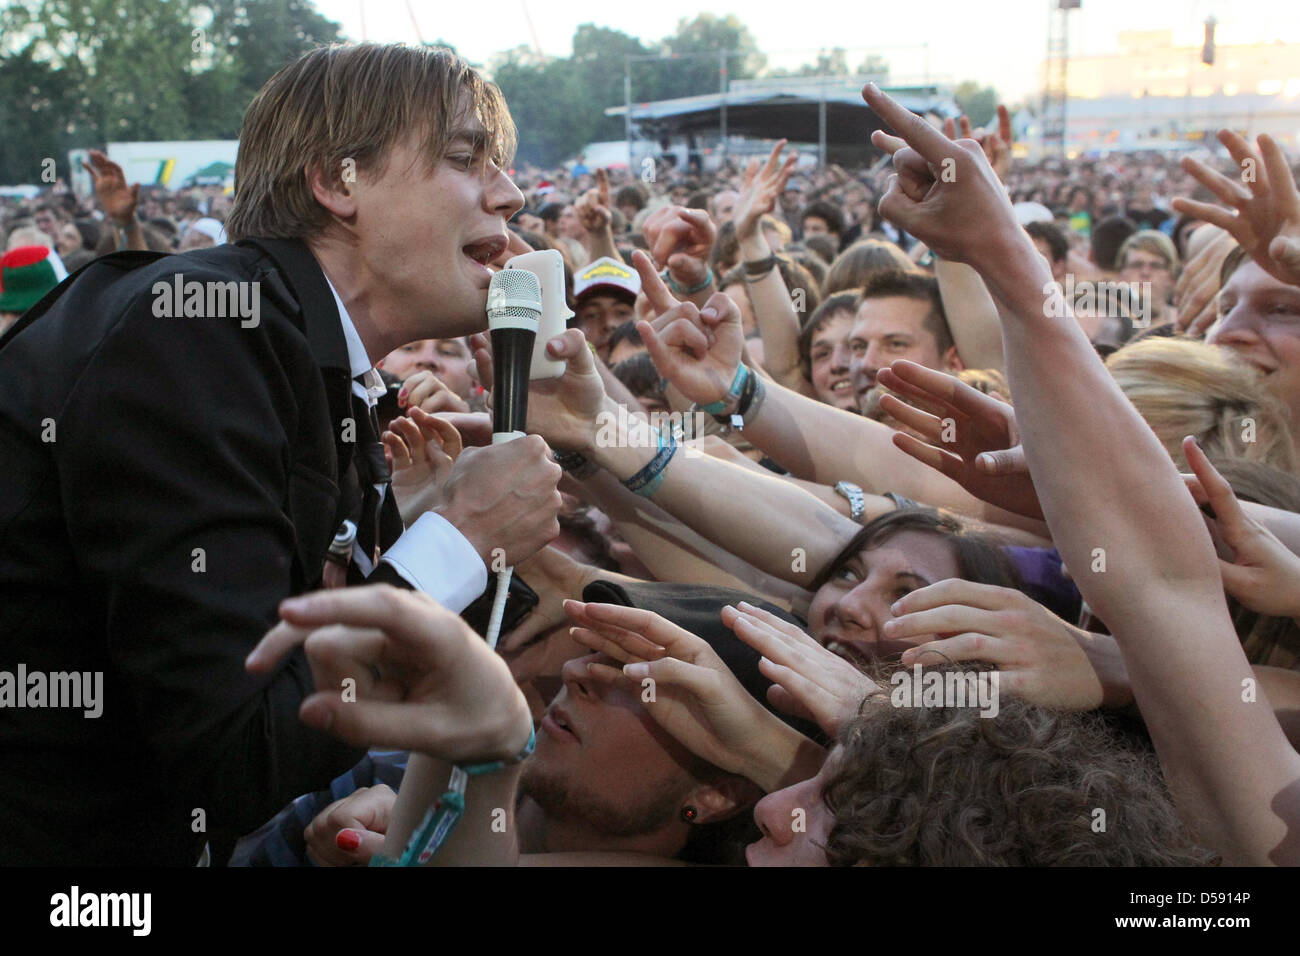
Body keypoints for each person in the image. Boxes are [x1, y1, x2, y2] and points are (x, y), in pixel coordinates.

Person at [0, 42, 563, 866]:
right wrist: (460, 539)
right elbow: (233, 748)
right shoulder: (195, 333)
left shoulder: (314, 366)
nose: (510, 194)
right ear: (338, 182)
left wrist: (440, 531)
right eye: (466, 157)